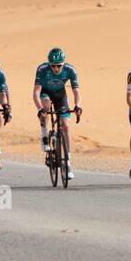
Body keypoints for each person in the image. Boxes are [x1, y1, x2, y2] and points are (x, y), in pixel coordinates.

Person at [32, 47, 81, 181]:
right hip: (45, 93)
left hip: (60, 94)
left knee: (65, 126)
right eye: (53, 66)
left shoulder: (70, 70)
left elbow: (76, 91)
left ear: (63, 64)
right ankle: (44, 134)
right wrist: (39, 108)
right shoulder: (42, 69)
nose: (56, 69)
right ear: (49, 64)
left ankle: (68, 163)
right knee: (46, 106)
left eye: (59, 66)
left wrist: (77, 106)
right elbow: (36, 92)